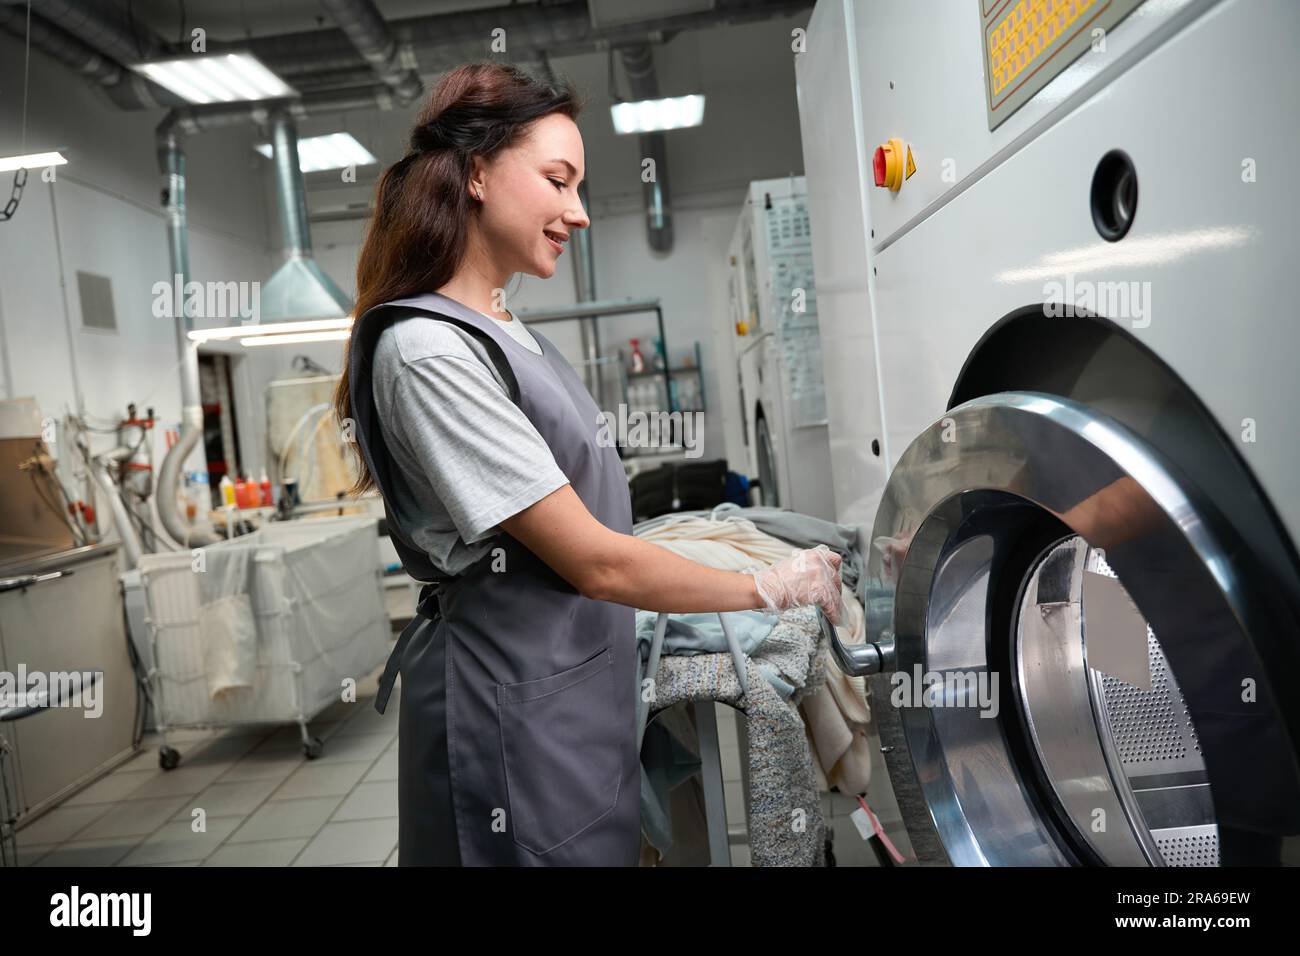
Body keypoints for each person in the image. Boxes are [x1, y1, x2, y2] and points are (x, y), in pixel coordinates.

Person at [333, 62, 843, 866]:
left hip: (573, 695)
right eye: (557, 180)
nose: (578, 212)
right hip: (509, 713)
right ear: (475, 173)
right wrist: (765, 589)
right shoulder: (426, 350)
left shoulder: (507, 330)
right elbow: (597, 561)